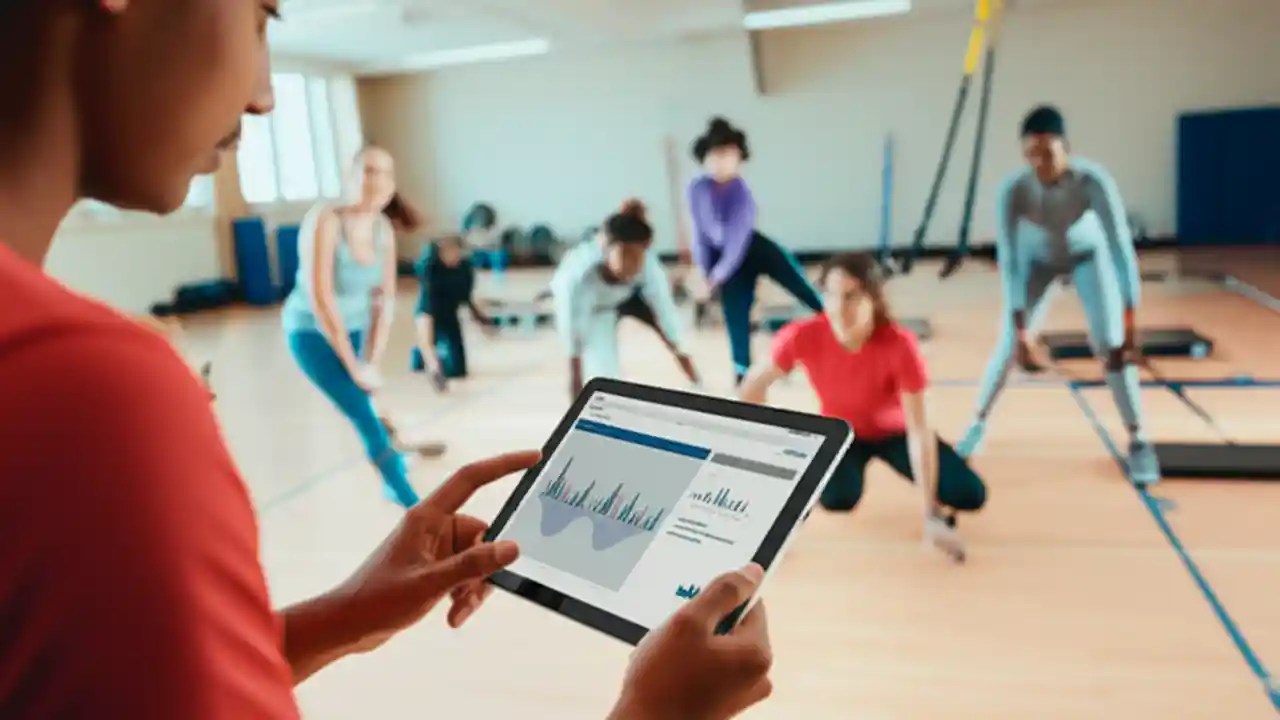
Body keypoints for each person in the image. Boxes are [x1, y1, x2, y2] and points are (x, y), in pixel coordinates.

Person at [0, 2, 774, 717]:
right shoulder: (92, 389)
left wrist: (346, 615)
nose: (265, 94)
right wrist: (654, 714)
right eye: (262, 16)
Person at [955, 105, 1160, 486]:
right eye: (1031, 154)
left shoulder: (1093, 182)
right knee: (1005, 348)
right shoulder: (1014, 190)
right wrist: (1020, 331)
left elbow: (1119, 249)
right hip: (1037, 263)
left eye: (1048, 153)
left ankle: (1138, 440)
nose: (1040, 163)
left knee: (1110, 345)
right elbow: (1010, 261)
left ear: (1066, 147)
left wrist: (1131, 318)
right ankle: (977, 423)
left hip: (1088, 256)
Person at [740, 253, 985, 561]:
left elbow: (918, 431)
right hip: (843, 433)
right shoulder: (804, 335)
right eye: (831, 295)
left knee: (970, 494)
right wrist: (771, 447)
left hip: (894, 434)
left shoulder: (899, 344)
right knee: (838, 498)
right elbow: (752, 386)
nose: (839, 309)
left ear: (874, 299)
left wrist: (930, 515)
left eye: (852, 297)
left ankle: (946, 488)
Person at [280, 146, 445, 508]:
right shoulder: (325, 220)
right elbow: (322, 300)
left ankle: (392, 465)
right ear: (350, 175)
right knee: (362, 411)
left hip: (355, 329)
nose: (375, 180)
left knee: (368, 402)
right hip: (312, 332)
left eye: (384, 173)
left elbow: (382, 300)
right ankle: (408, 499)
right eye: (368, 170)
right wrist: (354, 367)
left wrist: (370, 359)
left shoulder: (383, 229)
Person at [687, 117, 824, 385]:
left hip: (750, 249)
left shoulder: (742, 194)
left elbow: (737, 243)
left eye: (728, 154)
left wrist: (715, 278)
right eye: (716, 154)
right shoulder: (697, 189)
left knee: (799, 284)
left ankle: (831, 318)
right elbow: (700, 234)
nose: (721, 161)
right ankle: (742, 375)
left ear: (739, 158)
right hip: (720, 258)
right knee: (735, 314)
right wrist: (704, 272)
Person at [551, 199, 701, 398]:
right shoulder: (577, 275)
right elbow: (572, 342)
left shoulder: (649, 267)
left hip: (631, 295)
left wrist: (692, 372)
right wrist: (575, 395)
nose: (632, 264)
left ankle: (698, 382)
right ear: (607, 249)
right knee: (604, 372)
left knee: (671, 332)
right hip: (595, 306)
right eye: (625, 255)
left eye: (637, 257)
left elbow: (666, 315)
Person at [411, 234, 496, 389]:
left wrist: (482, 320)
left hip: (450, 313)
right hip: (429, 311)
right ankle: (426, 360)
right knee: (428, 344)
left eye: (456, 251)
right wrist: (434, 366)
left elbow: (466, 298)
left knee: (459, 371)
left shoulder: (465, 269)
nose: (454, 255)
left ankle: (432, 359)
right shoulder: (430, 269)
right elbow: (427, 307)